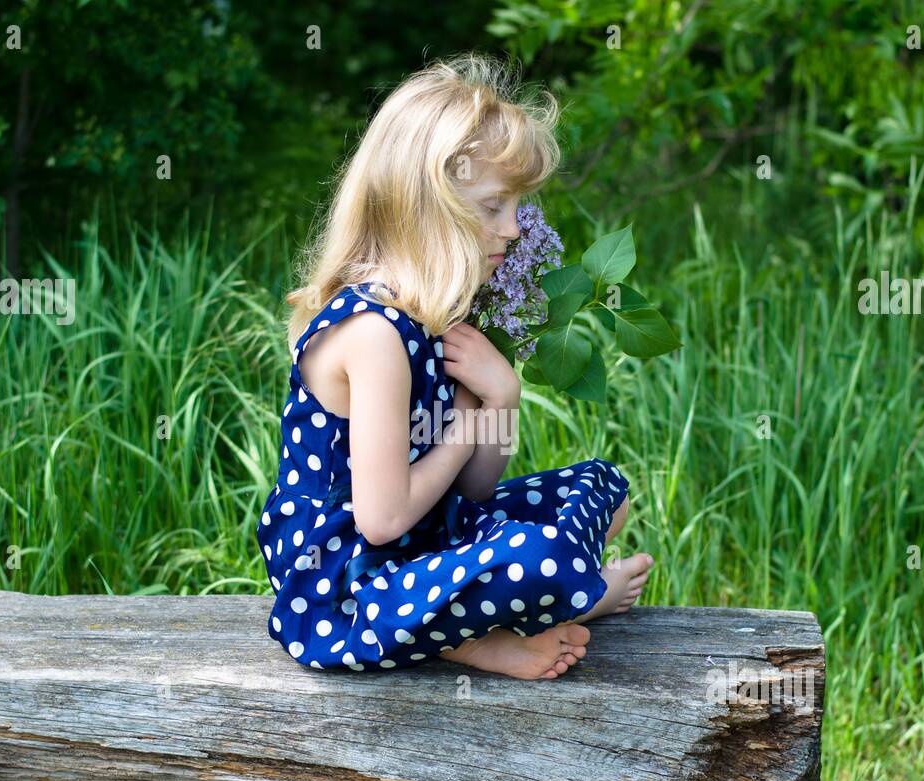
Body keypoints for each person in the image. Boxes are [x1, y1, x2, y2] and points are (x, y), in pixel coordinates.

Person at [256, 53, 652, 679]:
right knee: (548, 556)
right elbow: (382, 522)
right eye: (495, 207)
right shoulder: (375, 333)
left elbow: (471, 489)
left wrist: (501, 398)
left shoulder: (438, 315)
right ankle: (475, 639)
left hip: (426, 540)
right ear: (426, 206)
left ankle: (505, 612)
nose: (516, 229)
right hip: (345, 582)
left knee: (606, 488)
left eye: (517, 207)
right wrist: (471, 423)